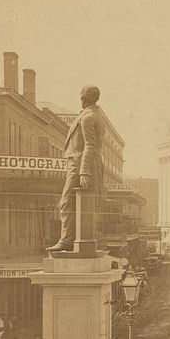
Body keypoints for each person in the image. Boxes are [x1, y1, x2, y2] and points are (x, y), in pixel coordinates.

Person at [48, 85, 106, 252]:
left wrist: (84, 171)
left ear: (84, 98)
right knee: (80, 205)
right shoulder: (95, 115)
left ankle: (67, 240)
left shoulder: (88, 117)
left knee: (66, 202)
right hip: (81, 162)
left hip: (79, 162)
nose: (80, 99)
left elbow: (90, 144)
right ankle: (73, 240)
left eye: (81, 96)